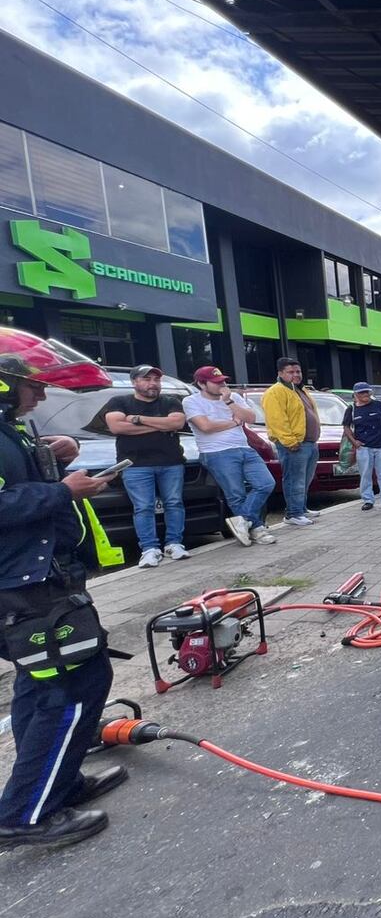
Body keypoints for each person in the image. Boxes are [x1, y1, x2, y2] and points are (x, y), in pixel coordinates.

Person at [0, 335, 127, 849]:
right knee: (72, 684)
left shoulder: (9, 430)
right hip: (23, 587)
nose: (42, 397)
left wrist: (49, 455)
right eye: (34, 387)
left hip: (39, 579)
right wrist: (61, 490)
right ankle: (25, 812)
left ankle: (58, 782)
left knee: (42, 684)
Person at [100, 365, 189, 568]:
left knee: (174, 503)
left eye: (156, 380)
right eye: (146, 379)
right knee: (143, 507)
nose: (152, 383)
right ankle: (149, 549)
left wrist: (138, 420)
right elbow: (116, 426)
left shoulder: (170, 401)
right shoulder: (119, 401)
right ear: (134, 382)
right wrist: (160, 425)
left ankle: (174, 543)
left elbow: (176, 423)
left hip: (171, 462)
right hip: (135, 465)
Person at [183, 365, 276, 546]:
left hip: (244, 448)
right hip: (216, 452)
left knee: (266, 483)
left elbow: (250, 418)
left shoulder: (233, 397)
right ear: (202, 384)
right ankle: (256, 528)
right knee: (236, 494)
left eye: (224, 381)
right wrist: (233, 422)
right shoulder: (191, 401)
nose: (223, 385)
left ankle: (242, 521)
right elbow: (206, 427)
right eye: (217, 382)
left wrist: (229, 403)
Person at [261, 357, 323, 528]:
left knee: (305, 479)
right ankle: (293, 513)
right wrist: (289, 441)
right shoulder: (276, 392)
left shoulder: (299, 390)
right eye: (291, 372)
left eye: (298, 371)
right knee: (294, 479)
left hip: (310, 442)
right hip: (295, 444)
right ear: (280, 373)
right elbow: (277, 420)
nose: (296, 375)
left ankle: (301, 508)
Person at [342, 381, 381, 511]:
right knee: (365, 475)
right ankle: (367, 500)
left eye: (367, 392)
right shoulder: (352, 409)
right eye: (362, 392)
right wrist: (354, 442)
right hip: (364, 447)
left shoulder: (378, 405)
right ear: (356, 394)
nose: (365, 394)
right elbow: (346, 427)